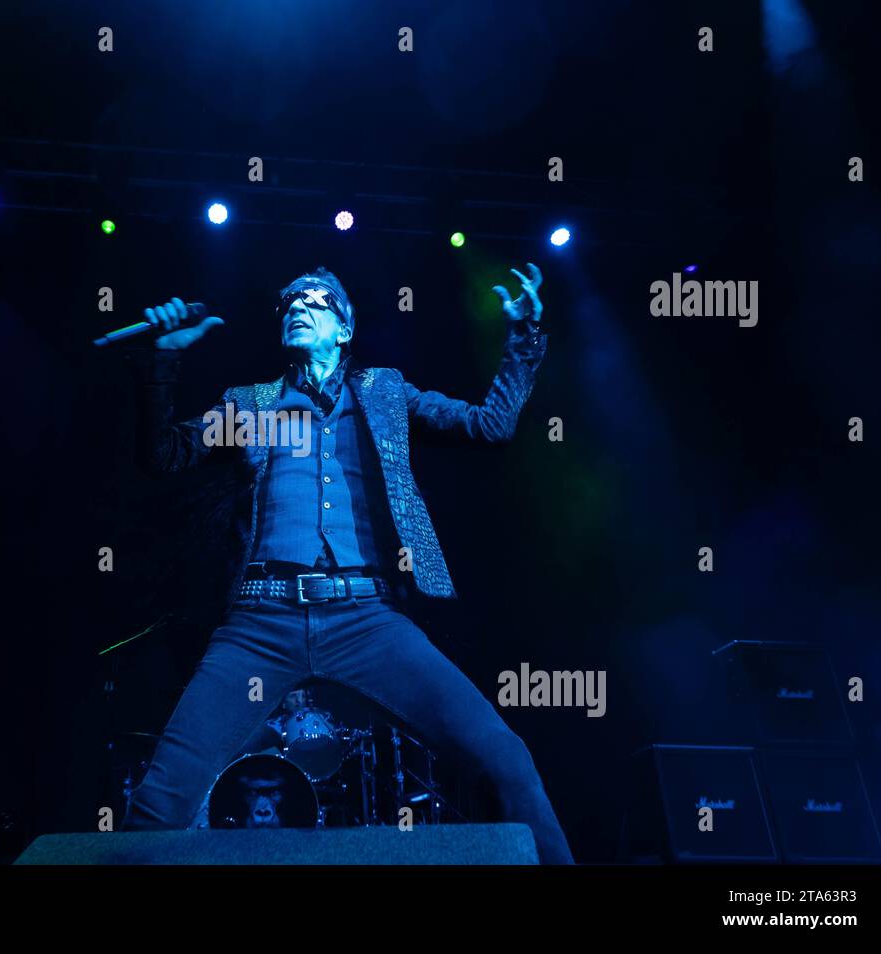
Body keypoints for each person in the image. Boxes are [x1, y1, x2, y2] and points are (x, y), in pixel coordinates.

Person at [122, 264, 573, 863]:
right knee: (159, 803)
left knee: (507, 759)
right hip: (260, 623)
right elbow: (165, 455)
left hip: (369, 618)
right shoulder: (252, 404)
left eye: (315, 300)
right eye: (288, 303)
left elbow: (490, 426)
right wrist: (161, 361)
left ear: (344, 326)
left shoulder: (384, 392)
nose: (297, 307)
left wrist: (523, 336)